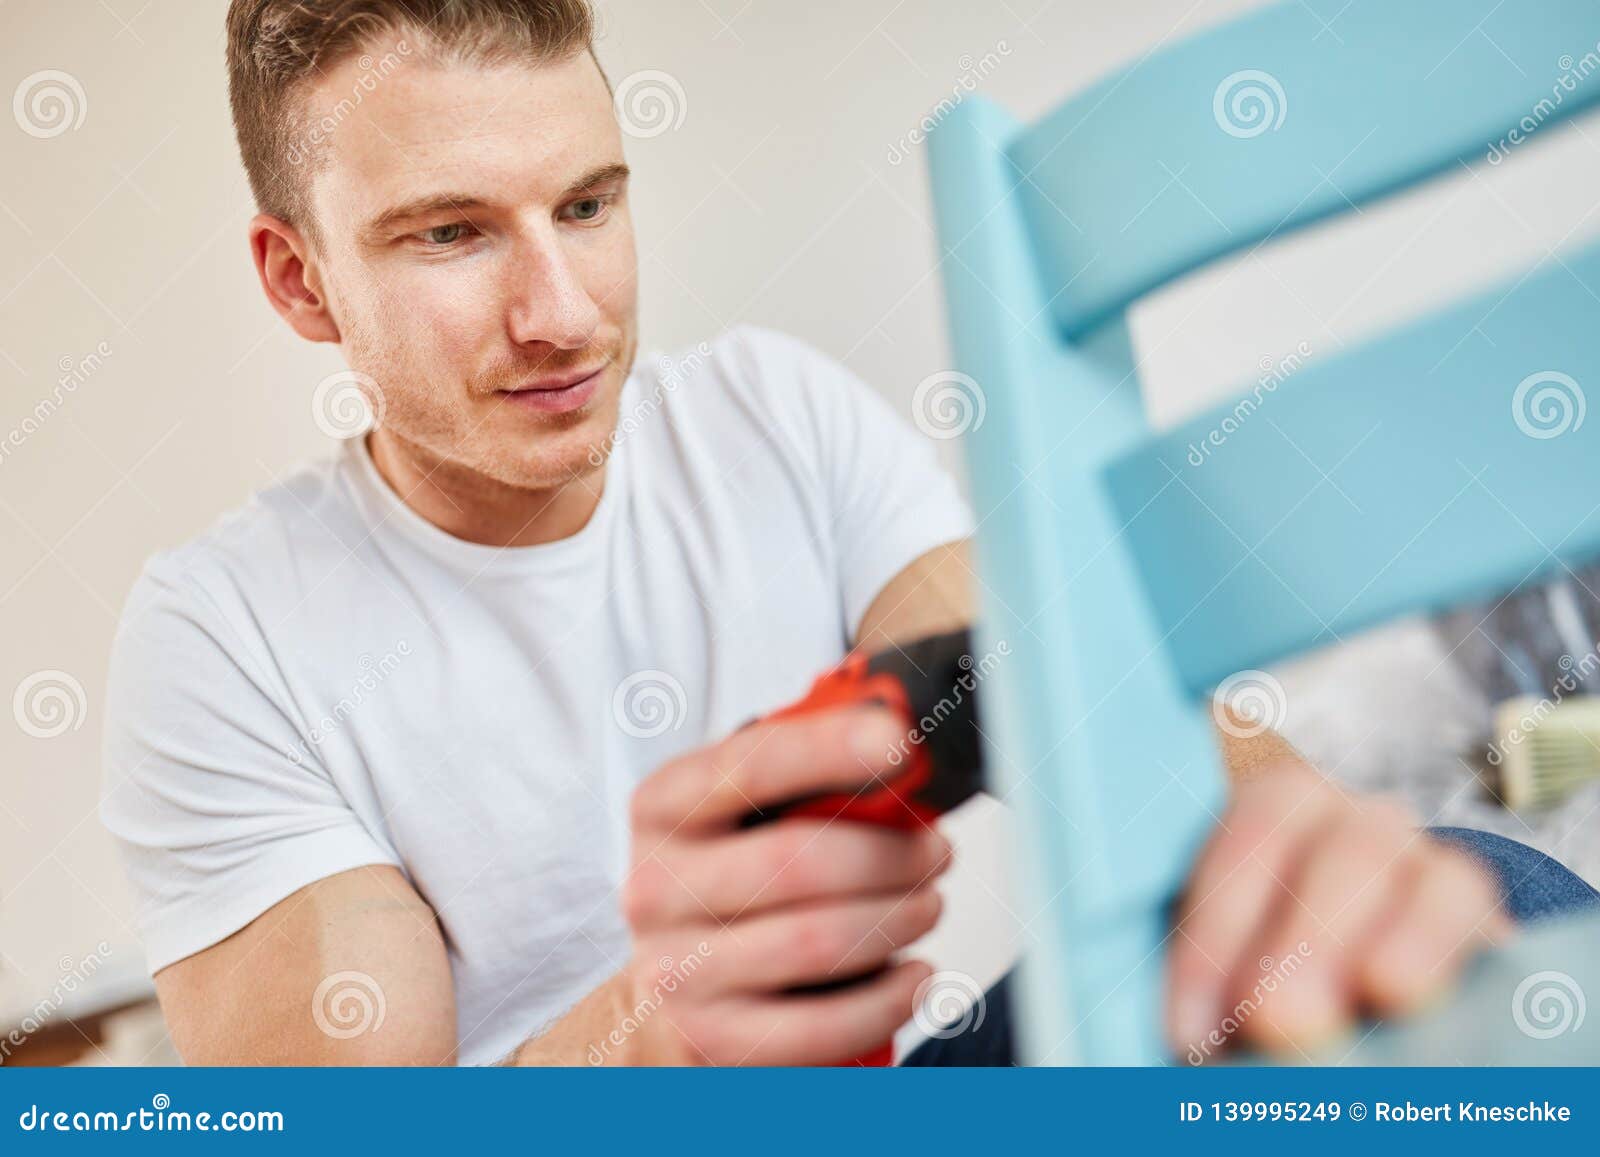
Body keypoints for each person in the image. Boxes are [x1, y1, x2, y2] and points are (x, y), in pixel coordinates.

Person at [100, 0, 1596, 1067]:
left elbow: (1048, 695)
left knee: (1493, 907)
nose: (562, 313)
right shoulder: (224, 634)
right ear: (299, 281)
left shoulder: (771, 415)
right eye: (451, 232)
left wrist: (1304, 844)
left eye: (590, 202)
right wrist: (653, 1031)